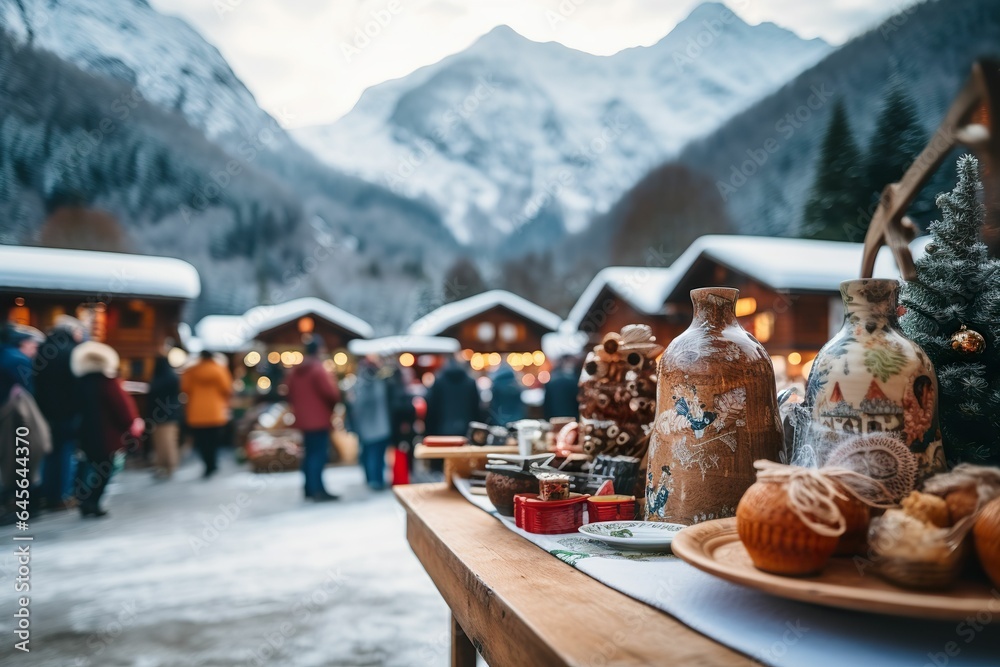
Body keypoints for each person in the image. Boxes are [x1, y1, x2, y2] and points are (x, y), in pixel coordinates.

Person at [71, 341, 142, 518]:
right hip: (106, 434)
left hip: (84, 433)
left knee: (86, 466)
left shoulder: (78, 383)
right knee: (105, 469)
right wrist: (130, 425)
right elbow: (122, 409)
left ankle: (84, 501)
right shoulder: (108, 382)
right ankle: (93, 502)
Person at [35, 316, 87, 509]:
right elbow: (76, 388)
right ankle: (61, 496)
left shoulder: (43, 349)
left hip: (43, 412)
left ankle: (44, 492)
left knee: (48, 453)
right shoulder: (72, 353)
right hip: (67, 414)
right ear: (73, 331)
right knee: (66, 453)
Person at [285, 339, 340, 501]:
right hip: (319, 419)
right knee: (318, 455)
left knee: (309, 454)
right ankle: (318, 490)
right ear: (318, 349)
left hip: (303, 420)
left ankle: (309, 488)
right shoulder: (318, 368)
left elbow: (288, 391)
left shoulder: (296, 370)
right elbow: (330, 393)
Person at [181, 350, 233, 478]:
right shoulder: (219, 369)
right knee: (213, 440)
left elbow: (185, 389)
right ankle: (213, 463)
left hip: (196, 412)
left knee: (201, 441)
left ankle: (207, 464)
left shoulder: (191, 370)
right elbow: (227, 388)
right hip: (215, 411)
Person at [348, 356, 392, 490]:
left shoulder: (360, 383)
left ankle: (373, 479)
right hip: (375, 426)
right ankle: (375, 480)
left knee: (371, 454)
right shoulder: (372, 383)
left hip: (370, 426)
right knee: (374, 455)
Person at [425, 355, 480, 437]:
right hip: (467, 430)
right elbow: (477, 408)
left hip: (442, 430)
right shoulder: (470, 382)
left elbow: (432, 409)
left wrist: (429, 432)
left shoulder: (439, 381)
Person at [148, 355, 181, 479]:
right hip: (170, 415)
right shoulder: (172, 377)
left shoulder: (159, 379)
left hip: (160, 416)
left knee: (164, 442)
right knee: (167, 441)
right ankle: (166, 466)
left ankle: (167, 466)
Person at [0, 324, 43, 400]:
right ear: (25, 343)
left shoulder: (5, 353)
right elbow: (28, 392)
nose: (35, 352)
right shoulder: (21, 360)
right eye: (35, 347)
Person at [543, 356, 580, 420]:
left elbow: (547, 404)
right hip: (572, 418)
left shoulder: (552, 381)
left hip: (554, 418)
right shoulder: (574, 380)